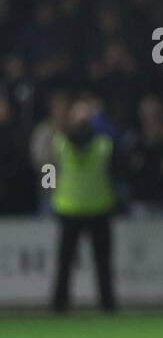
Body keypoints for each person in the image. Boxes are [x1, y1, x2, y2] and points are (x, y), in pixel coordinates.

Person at [50, 100, 117, 313]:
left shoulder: (61, 143)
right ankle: (105, 305)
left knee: (85, 262)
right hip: (86, 207)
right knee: (70, 262)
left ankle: (62, 305)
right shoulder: (103, 144)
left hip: (82, 207)